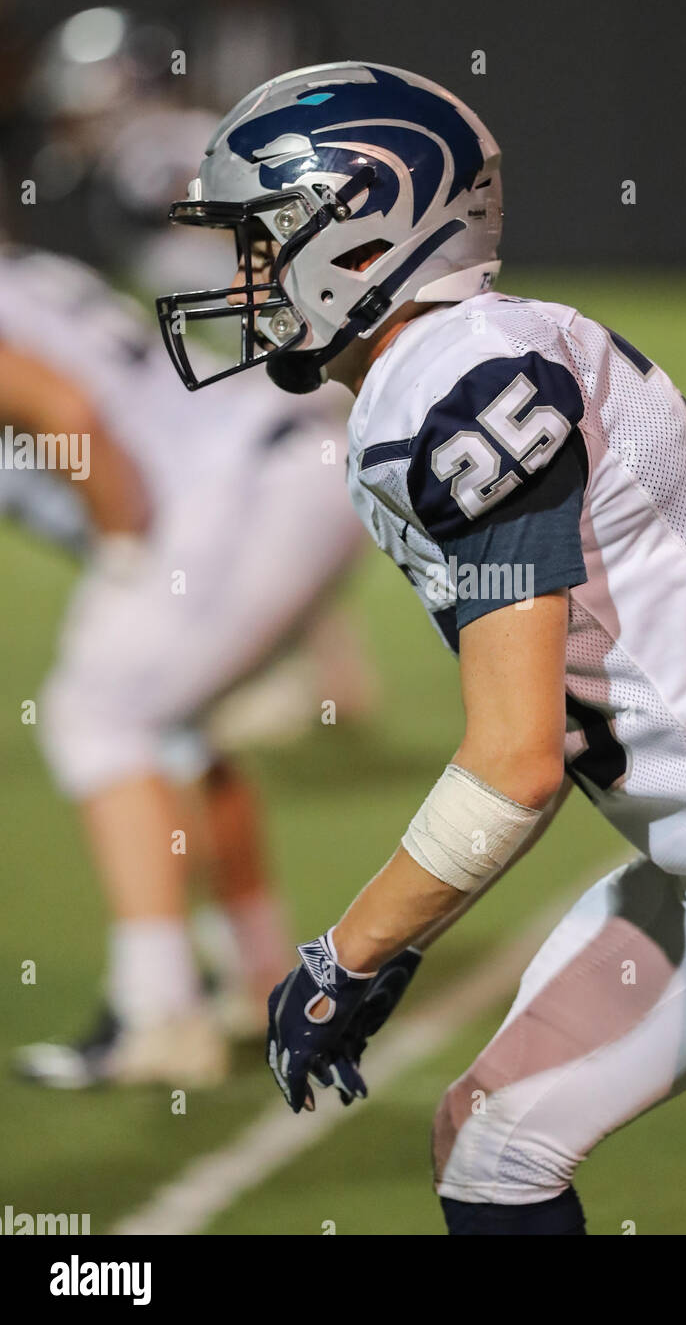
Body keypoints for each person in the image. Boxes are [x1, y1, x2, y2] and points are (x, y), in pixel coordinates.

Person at [157, 61, 686, 1234]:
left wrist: (353, 954)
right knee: (494, 1143)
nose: (248, 279)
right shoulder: (435, 373)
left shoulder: (467, 381)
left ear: (368, 240)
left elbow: (514, 759)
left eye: (266, 242)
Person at [1, 244, 366, 1088]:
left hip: (232, 495)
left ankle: (158, 1016)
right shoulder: (30, 273)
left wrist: (129, 555)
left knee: (97, 715)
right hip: (287, 466)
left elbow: (66, 412)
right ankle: (261, 977)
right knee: (172, 718)